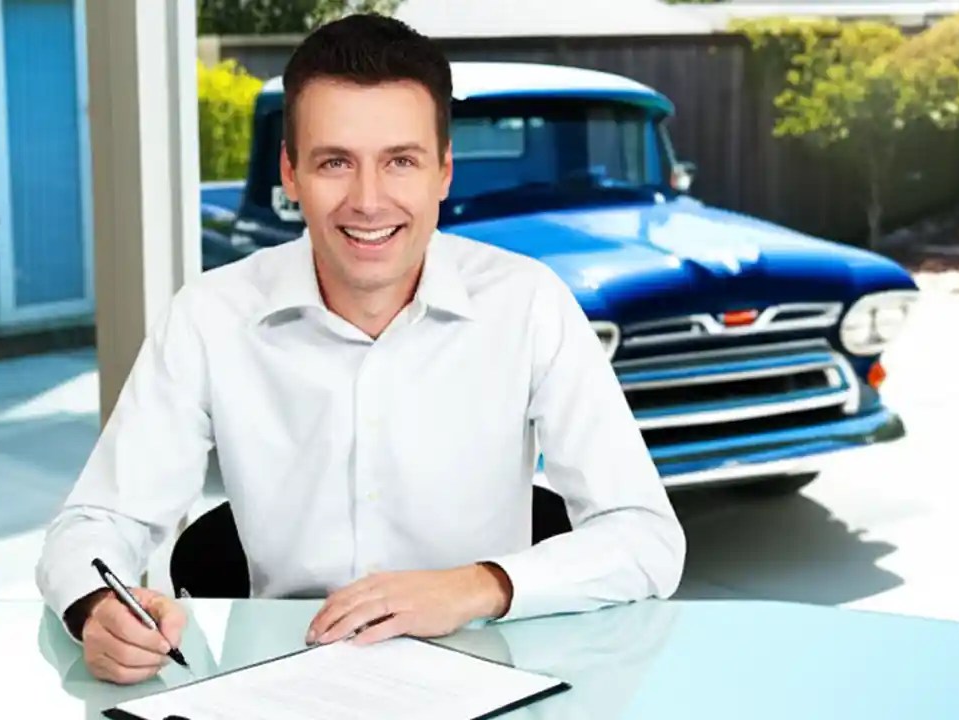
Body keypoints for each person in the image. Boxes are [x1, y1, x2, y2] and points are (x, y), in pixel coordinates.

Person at [36, 13, 686, 686]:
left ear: (443, 172)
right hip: (285, 685)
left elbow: (646, 539)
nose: (368, 201)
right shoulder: (209, 316)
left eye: (400, 161)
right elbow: (96, 521)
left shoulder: (528, 303)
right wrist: (94, 607)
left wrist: (477, 586)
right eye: (335, 162)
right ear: (291, 173)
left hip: (491, 674)